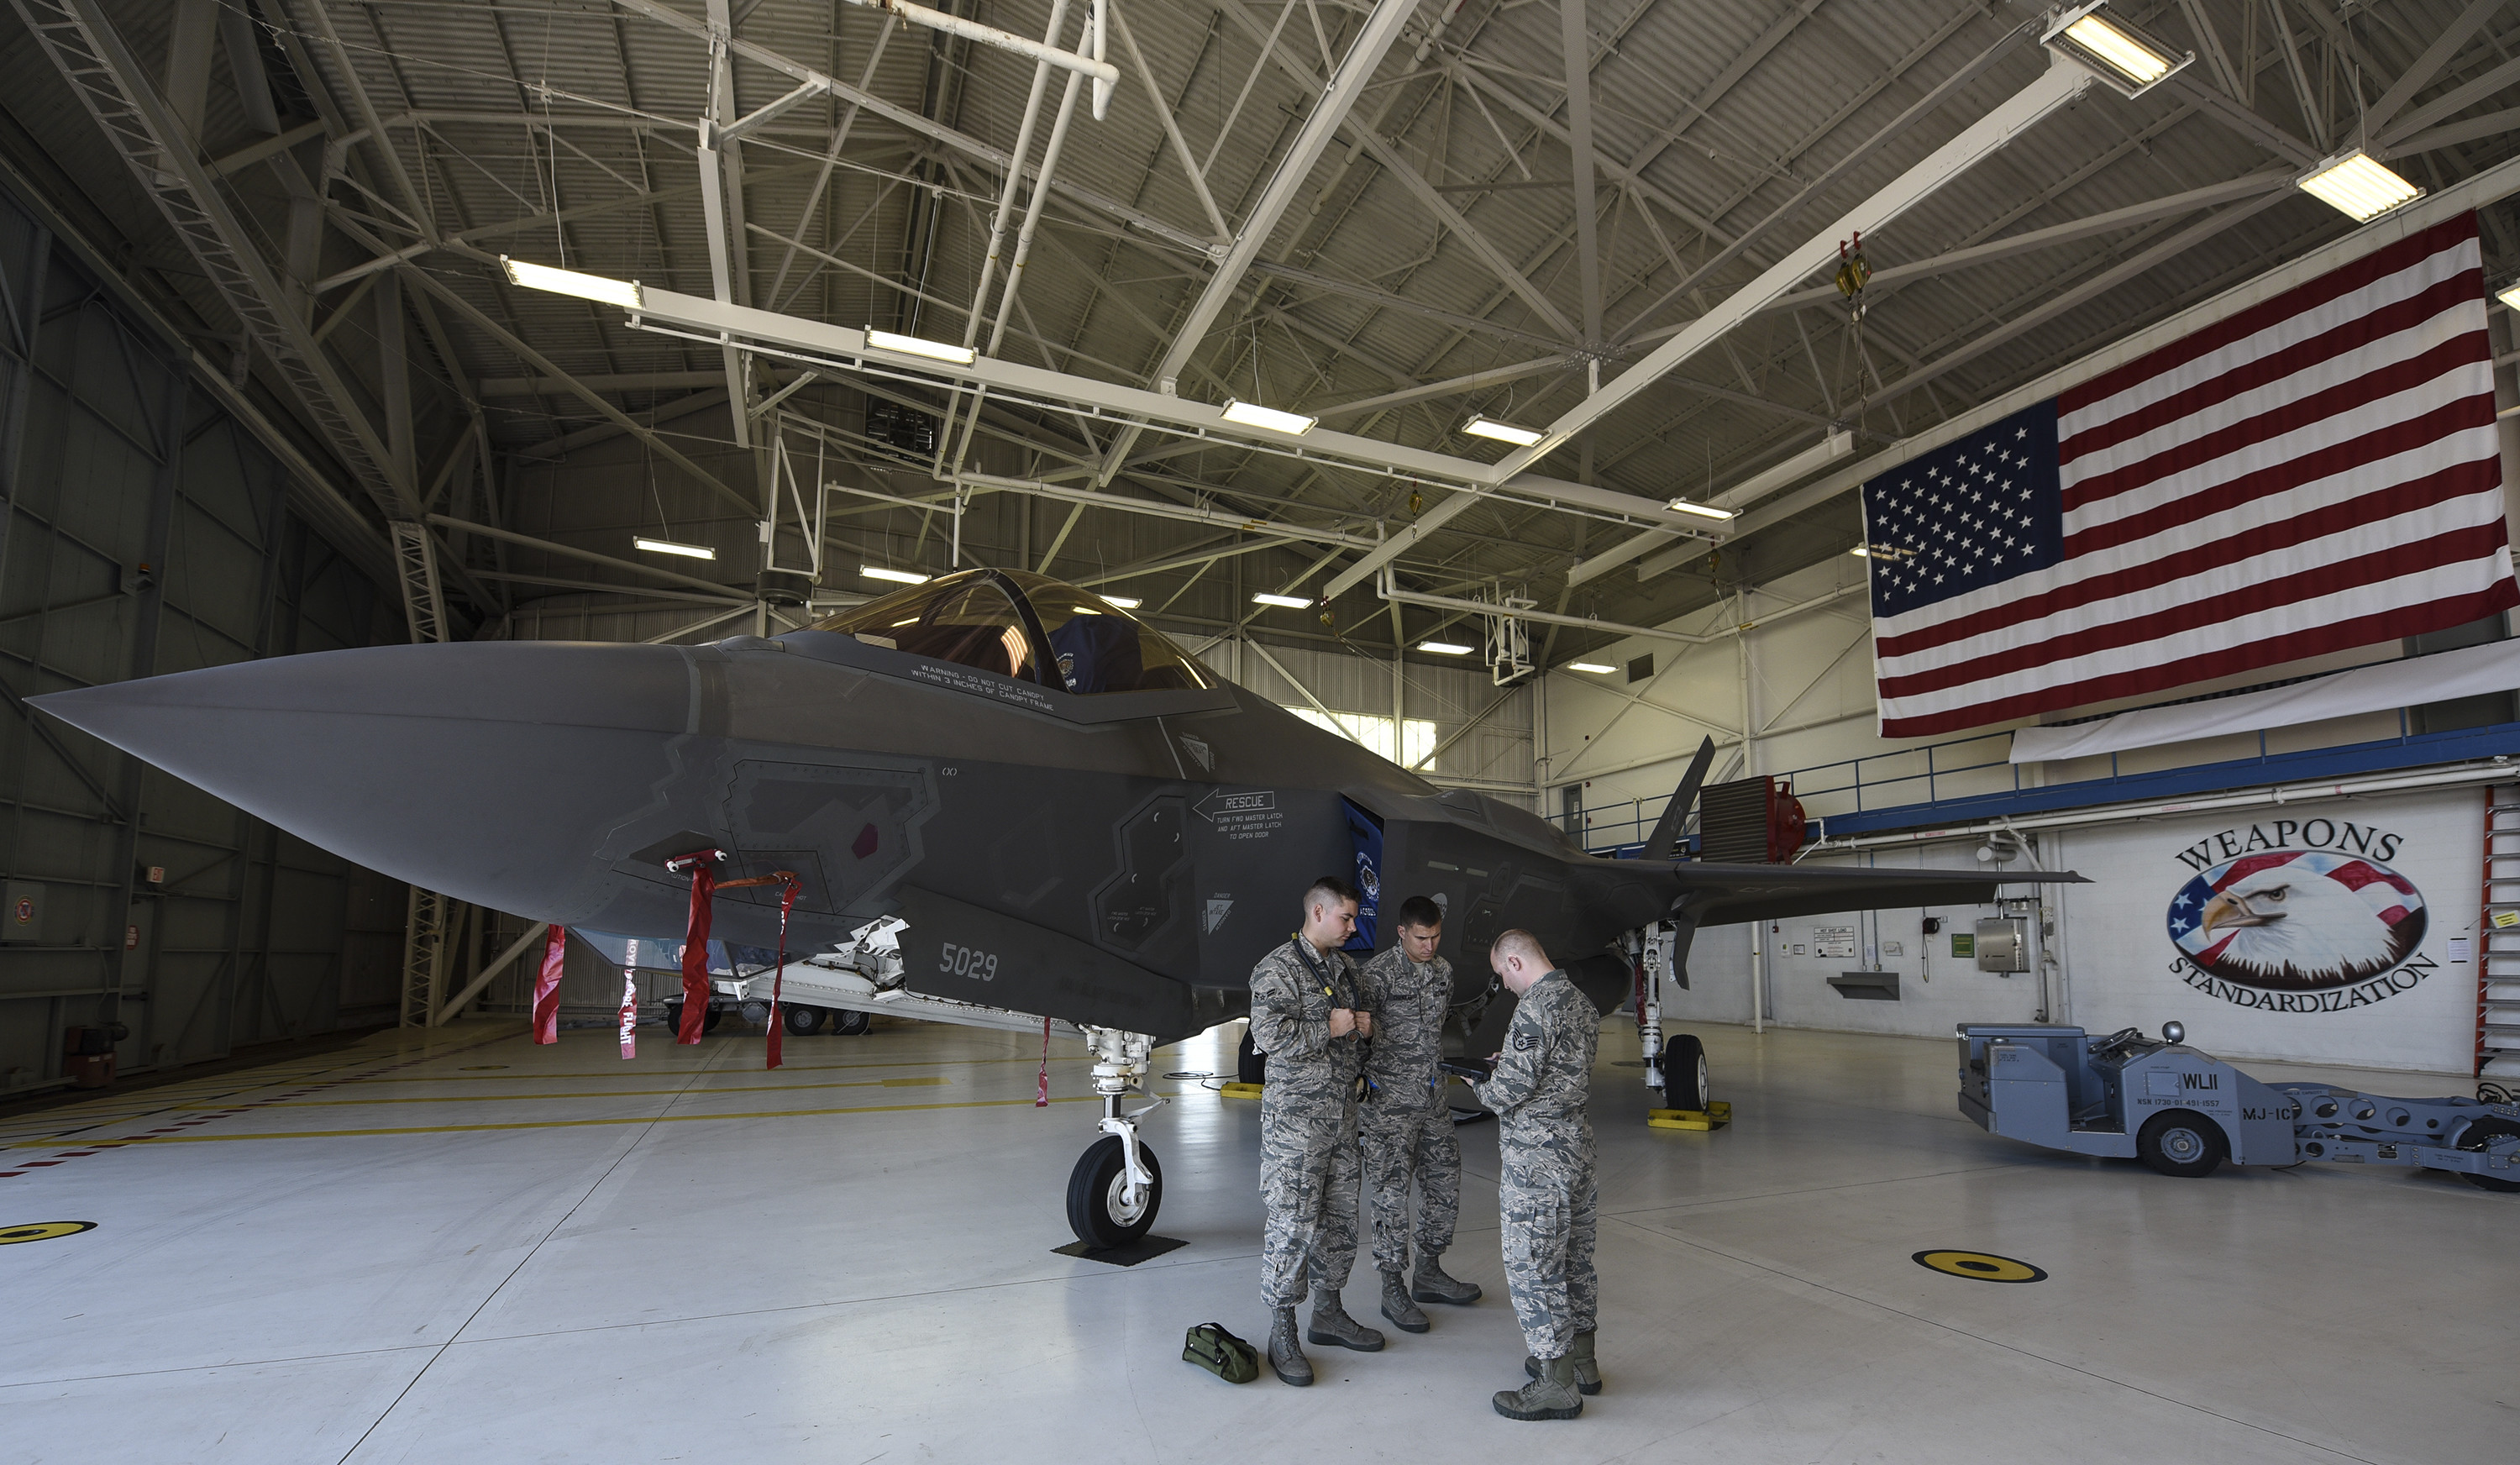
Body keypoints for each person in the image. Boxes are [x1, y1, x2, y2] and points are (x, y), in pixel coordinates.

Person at [1247, 874, 1383, 1386]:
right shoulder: (1277, 969)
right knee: (1293, 1224)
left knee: (1341, 1220)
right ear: (1319, 913)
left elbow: (1362, 1031)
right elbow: (1268, 1037)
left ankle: (1328, 1310)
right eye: (1346, 918)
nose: (1353, 927)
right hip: (1297, 1126)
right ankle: (1282, 1329)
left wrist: (1368, 1028)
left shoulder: (1345, 969)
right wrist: (1330, 1026)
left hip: (1343, 1118)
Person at [1468, 928, 1599, 1421]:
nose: (1504, 985)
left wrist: (1480, 1082)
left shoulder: (1535, 1008)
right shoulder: (1580, 1003)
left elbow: (1508, 1092)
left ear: (1516, 963)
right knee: (1574, 1260)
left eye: (1502, 974)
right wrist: (1513, 1065)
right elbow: (1561, 1069)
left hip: (1538, 1160)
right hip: (1576, 1149)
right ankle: (1582, 1361)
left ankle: (1556, 1383)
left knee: (1534, 1265)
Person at [1356, 895, 1481, 1335]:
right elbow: (1358, 1040)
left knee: (1445, 1180)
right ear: (1402, 932)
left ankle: (1429, 1269)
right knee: (1391, 1195)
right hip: (1389, 1106)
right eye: (1422, 938)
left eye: (1436, 937)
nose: (1430, 946)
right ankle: (1392, 1287)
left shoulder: (1444, 973)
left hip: (1433, 1101)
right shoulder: (1377, 976)